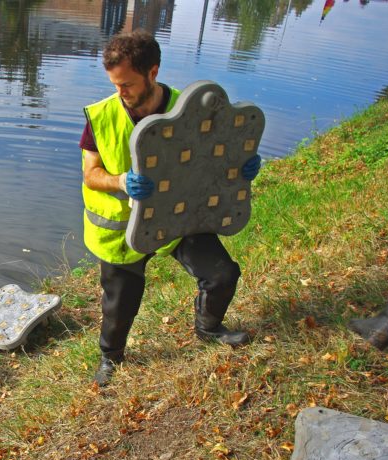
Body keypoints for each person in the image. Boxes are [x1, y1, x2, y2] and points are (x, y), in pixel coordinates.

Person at [80, 30, 262, 386]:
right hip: (124, 228)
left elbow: (218, 156)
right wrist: (120, 182)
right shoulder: (101, 116)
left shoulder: (192, 109)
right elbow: (90, 174)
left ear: (153, 72)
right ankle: (110, 357)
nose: (121, 93)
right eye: (115, 84)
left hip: (181, 218)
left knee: (223, 275)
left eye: (128, 84)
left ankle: (208, 328)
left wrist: (242, 168)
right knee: (119, 305)